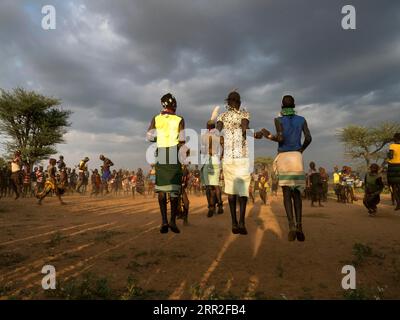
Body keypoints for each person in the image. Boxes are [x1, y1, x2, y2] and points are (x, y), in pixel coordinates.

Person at [262, 95, 312, 241]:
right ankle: (300, 225)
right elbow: (308, 138)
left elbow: (281, 138)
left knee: (286, 194)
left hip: (284, 158)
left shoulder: (278, 120)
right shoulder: (301, 119)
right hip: (297, 158)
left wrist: (268, 135)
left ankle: (291, 225)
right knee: (297, 194)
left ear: (282, 106)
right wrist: (301, 150)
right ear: (294, 105)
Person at [216, 91, 261, 235]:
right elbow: (245, 126)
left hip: (228, 158)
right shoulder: (244, 114)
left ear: (228, 103)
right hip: (242, 157)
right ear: (239, 102)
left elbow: (217, 131)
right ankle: (242, 222)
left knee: (231, 191)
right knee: (242, 192)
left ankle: (234, 223)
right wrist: (250, 134)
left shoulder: (222, 116)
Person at [147, 93, 185, 234]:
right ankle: (173, 221)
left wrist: (160, 136)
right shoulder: (180, 119)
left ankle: (163, 221)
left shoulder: (156, 118)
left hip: (161, 153)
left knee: (162, 190)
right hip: (174, 153)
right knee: (175, 189)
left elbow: (149, 136)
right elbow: (182, 141)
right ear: (174, 104)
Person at [201, 106, 224, 217]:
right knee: (216, 185)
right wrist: (221, 156)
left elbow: (203, 150)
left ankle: (211, 207)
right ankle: (220, 205)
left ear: (206, 127)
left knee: (208, 186)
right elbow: (223, 148)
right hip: (216, 160)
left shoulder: (204, 136)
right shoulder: (218, 136)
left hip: (207, 160)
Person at [387, 133, 400, 211]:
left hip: (393, 167)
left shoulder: (392, 146)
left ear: (395, 138)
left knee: (393, 187)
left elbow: (391, 156)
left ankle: (398, 203)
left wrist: (388, 155)